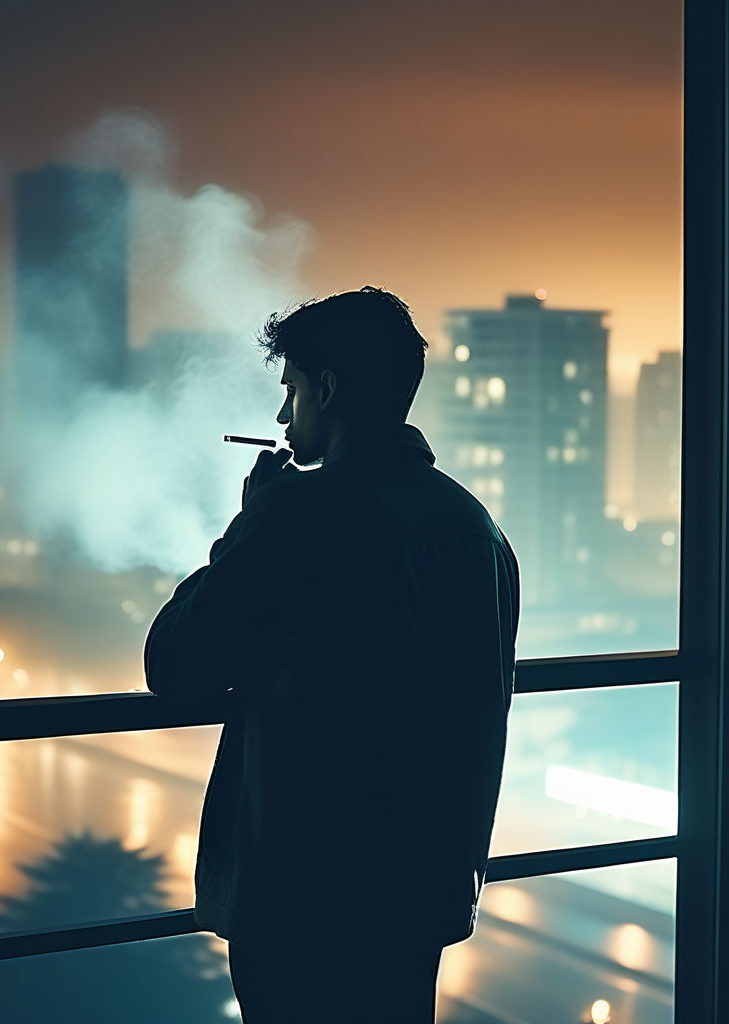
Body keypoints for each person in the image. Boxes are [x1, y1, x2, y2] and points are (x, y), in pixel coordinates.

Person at [144, 286, 520, 1023]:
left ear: (327, 387)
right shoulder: (479, 530)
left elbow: (176, 666)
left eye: (290, 392)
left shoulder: (301, 519)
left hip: (302, 897)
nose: (284, 417)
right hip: (422, 891)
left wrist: (248, 528)